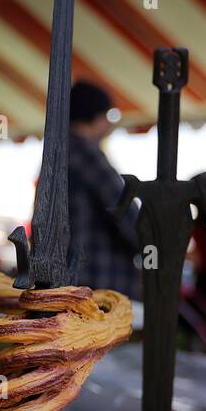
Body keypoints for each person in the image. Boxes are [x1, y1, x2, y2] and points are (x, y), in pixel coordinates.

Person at [61, 80, 140, 299]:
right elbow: (124, 209)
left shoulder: (59, 152)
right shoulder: (85, 153)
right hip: (97, 281)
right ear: (97, 117)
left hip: (70, 278)